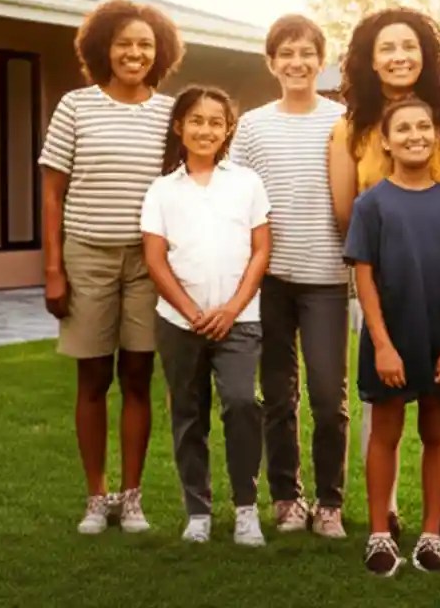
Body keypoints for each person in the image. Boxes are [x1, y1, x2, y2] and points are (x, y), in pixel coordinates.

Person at [327, 6, 440, 545]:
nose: (399, 57)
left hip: (439, 287)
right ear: (370, 60)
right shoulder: (350, 129)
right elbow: (345, 212)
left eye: (409, 46)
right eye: (387, 48)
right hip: (379, 283)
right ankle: (384, 512)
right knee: (383, 396)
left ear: (426, 55)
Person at [37, 0, 185, 535]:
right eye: (124, 43)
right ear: (104, 47)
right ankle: (97, 497)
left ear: (160, 53)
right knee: (94, 376)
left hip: (149, 262)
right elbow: (52, 194)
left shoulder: (170, 114)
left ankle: (132, 497)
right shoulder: (75, 107)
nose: (134, 53)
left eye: (145, 44)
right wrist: (54, 269)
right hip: (88, 256)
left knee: (139, 376)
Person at [344, 96, 440, 577]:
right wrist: (382, 344)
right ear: (385, 141)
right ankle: (379, 533)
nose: (414, 136)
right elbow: (364, 277)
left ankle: (430, 536)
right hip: (391, 338)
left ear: (437, 136)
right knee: (385, 432)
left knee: (436, 432)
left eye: (423, 126)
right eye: (402, 128)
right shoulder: (371, 204)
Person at [229, 14, 350, 538]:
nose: (297, 62)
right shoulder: (253, 125)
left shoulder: (343, 121)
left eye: (306, 53)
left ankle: (329, 502)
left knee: (327, 396)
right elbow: (236, 197)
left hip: (328, 276)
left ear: (321, 61)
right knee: (278, 395)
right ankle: (286, 498)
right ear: (271, 62)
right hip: (271, 278)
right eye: (286, 53)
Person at [141, 85, 271, 546]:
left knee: (241, 402)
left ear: (228, 129)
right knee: (188, 412)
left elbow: (261, 250)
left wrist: (231, 308)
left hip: (240, 319)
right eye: (196, 120)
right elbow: (155, 258)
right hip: (180, 323)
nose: (205, 130)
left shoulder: (246, 183)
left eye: (216, 122)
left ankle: (246, 508)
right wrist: (192, 311)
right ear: (179, 127)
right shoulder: (162, 190)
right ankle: (197, 511)